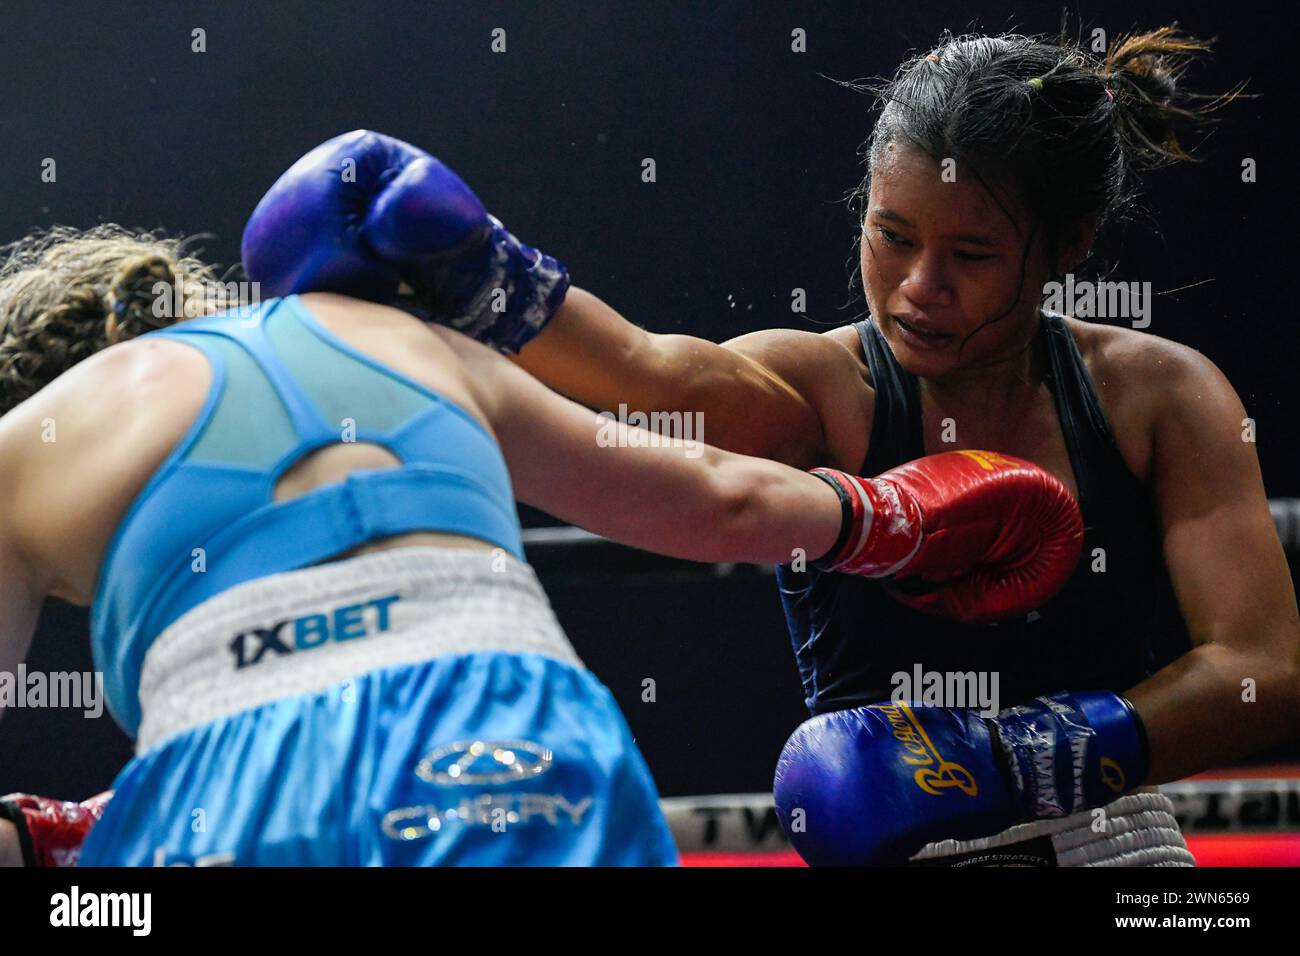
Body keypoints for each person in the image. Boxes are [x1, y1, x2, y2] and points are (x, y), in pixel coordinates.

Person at [241, 25, 1300, 866]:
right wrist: (479, 273)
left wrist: (1014, 760)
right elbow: (651, 377)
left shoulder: (1159, 393)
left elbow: (1265, 666)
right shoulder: (823, 386)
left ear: (1068, 246)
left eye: (971, 253)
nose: (920, 288)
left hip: (1115, 849)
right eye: (892, 235)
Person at [0, 223, 1078, 865]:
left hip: (219, 789)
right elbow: (715, 499)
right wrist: (890, 518)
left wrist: (88, 834)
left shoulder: (20, 452)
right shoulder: (382, 330)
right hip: (519, 736)